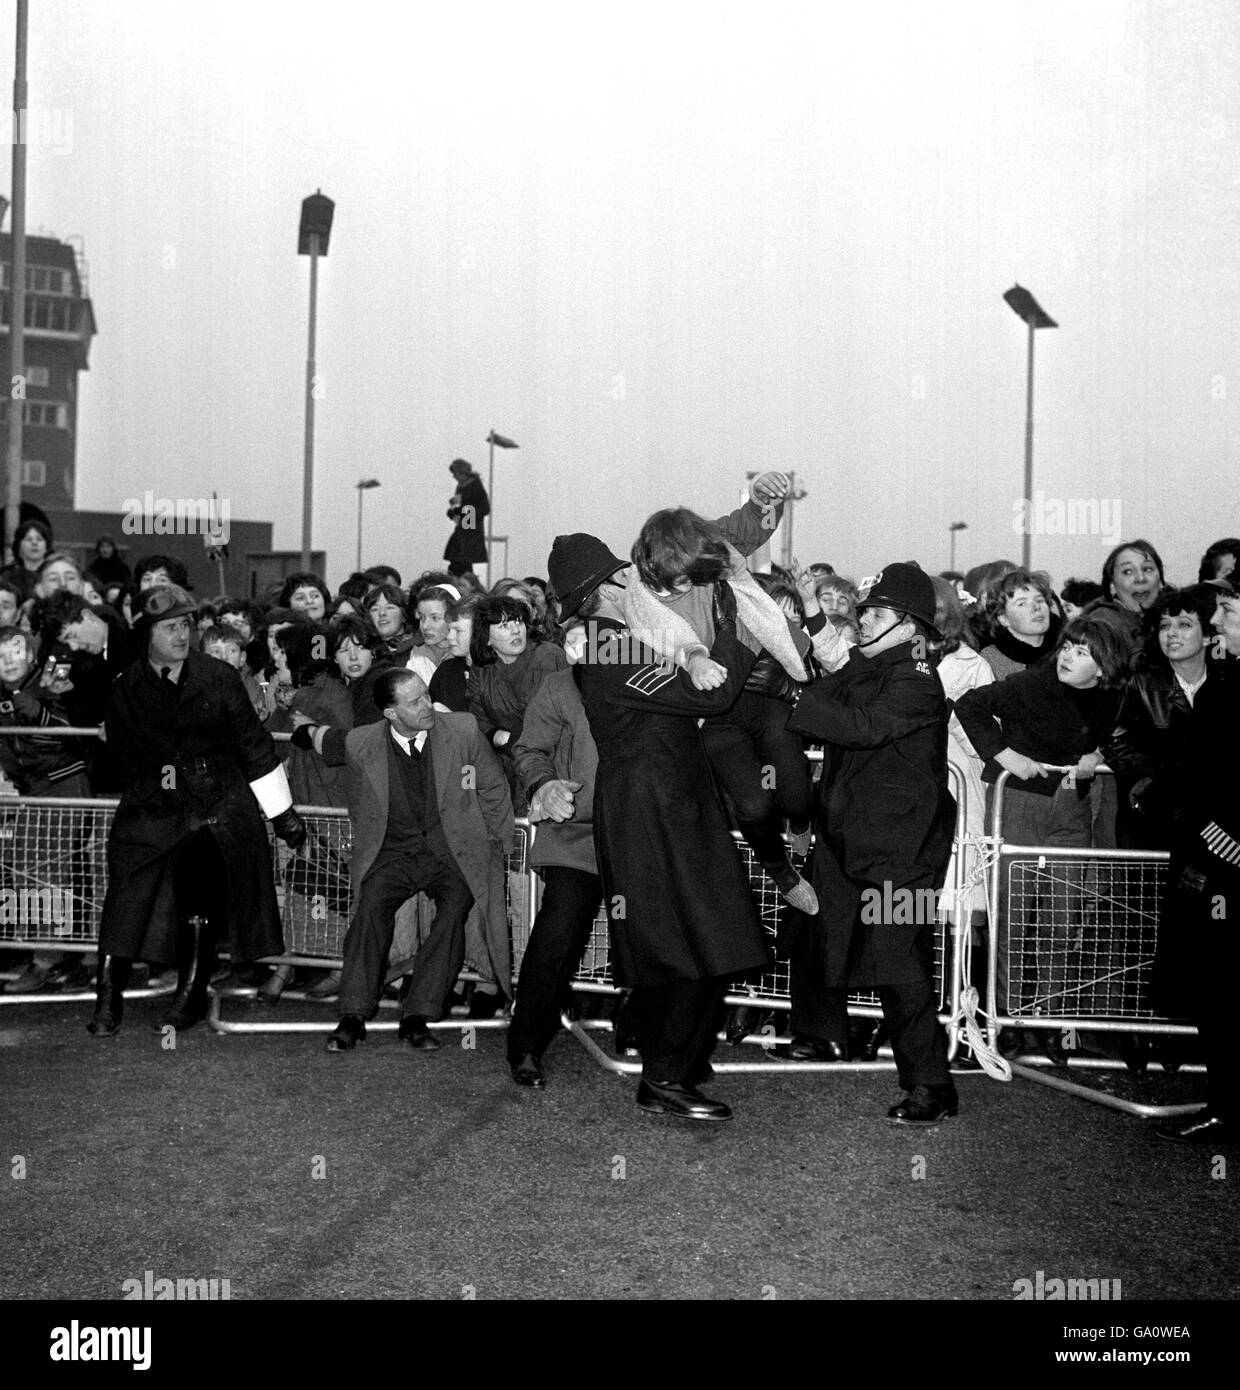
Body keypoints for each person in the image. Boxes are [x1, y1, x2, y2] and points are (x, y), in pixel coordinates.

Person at [547, 532, 770, 1123]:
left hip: (669, 804)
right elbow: (709, 696)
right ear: (612, 586)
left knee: (707, 935)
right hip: (652, 811)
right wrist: (739, 624)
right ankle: (666, 1076)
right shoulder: (603, 643)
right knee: (684, 942)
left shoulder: (623, 639)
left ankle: (682, 1059)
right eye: (627, 577)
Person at [780, 564, 958, 1124]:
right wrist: (805, 618)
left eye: (875, 614)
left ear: (909, 627)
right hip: (853, 841)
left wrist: (791, 697)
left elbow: (860, 726)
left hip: (904, 851)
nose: (862, 622)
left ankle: (931, 1085)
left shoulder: (917, 678)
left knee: (900, 963)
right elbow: (831, 669)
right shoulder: (873, 665)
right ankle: (823, 1035)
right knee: (821, 935)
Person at [87, 584, 307, 1037]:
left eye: (185, 625)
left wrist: (283, 815)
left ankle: (190, 994)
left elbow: (254, 746)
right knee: (125, 892)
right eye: (170, 627)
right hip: (152, 804)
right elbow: (118, 765)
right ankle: (107, 997)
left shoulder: (219, 677)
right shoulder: (126, 688)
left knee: (199, 890)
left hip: (217, 804)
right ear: (147, 634)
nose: (181, 634)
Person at [290, 669, 514, 1053]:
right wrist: (304, 728)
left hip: (451, 854)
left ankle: (418, 1014)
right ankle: (353, 1014)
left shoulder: (461, 730)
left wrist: (498, 846)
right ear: (390, 713)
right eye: (415, 702)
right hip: (391, 854)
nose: (428, 705)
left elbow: (493, 786)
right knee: (369, 911)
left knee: (452, 917)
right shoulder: (363, 742)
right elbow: (322, 740)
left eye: (425, 695)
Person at [955, 615, 1130, 1062]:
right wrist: (1006, 755)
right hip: (1017, 804)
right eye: (1067, 647)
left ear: (1104, 667)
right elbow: (969, 705)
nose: (1068, 657)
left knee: (1060, 920)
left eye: (1081, 652)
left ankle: (1049, 1021)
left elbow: (1133, 735)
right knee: (1013, 918)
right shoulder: (1029, 684)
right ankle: (1007, 1019)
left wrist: (1100, 754)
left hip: (1072, 808)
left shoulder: (1115, 696)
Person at [1152, 587, 1240, 1144]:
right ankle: (1226, 1104)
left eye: (1229, 611)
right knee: (1218, 990)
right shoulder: (1225, 687)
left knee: (1226, 989)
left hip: (1226, 861)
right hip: (1210, 856)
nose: (1218, 621)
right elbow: (1190, 772)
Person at [506, 615, 603, 1087]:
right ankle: (526, 1043)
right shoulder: (557, 687)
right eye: (574, 641)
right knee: (557, 934)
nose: (583, 648)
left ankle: (647, 1035)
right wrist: (543, 786)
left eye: (594, 639)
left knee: (652, 933)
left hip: (634, 831)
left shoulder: (646, 678)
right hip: (573, 833)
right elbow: (528, 749)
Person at [978, 568, 1061, 681]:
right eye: (1022, 604)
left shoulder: (1065, 651)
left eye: (1040, 600)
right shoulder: (990, 660)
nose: (1036, 607)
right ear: (1003, 618)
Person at [1083, 540, 1167, 650]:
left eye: (1147, 569)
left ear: (1160, 581)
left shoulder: (1170, 618)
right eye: (1128, 572)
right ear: (1111, 586)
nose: (1140, 578)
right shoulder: (1103, 626)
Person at [444, 459, 490, 577]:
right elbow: (459, 507)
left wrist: (463, 504)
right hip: (462, 528)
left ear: (461, 472)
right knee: (457, 562)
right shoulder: (460, 487)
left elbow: (485, 508)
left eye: (455, 473)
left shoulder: (476, 486)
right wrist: (453, 513)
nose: (454, 476)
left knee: (463, 563)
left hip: (471, 531)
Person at [0, 519, 52, 602]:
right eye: (28, 539)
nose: (34, 543)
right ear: (19, 546)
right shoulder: (6, 575)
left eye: (39, 539)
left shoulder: (55, 573)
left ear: (47, 546)